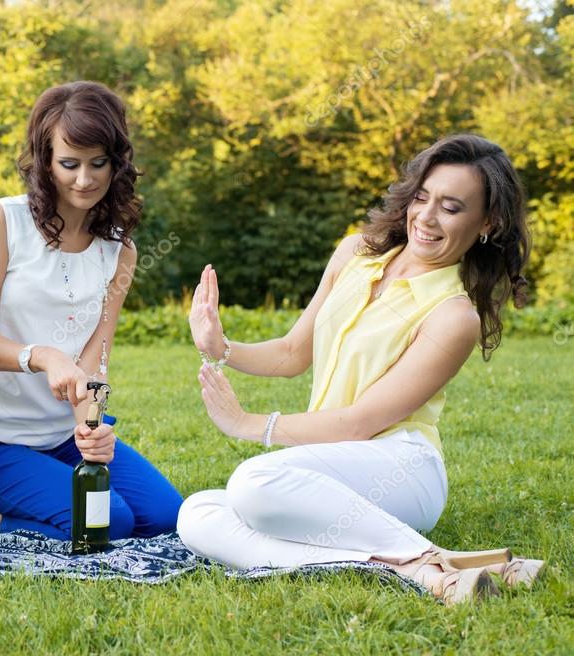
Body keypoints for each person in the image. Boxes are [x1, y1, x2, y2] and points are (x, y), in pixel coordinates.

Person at [176, 134, 544, 605]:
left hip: (400, 468)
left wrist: (248, 425)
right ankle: (421, 568)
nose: (426, 217)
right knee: (197, 514)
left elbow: (361, 422)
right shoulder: (356, 253)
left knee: (254, 484)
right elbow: (293, 353)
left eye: (451, 208)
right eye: (423, 197)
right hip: (329, 463)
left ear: (487, 222)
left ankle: (422, 558)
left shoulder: (454, 316)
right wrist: (220, 346)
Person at [0, 81, 183, 541]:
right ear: (45, 161)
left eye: (99, 163)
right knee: (108, 523)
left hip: (64, 439)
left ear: (118, 163)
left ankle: (32, 495)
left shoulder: (120, 250)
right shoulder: (5, 220)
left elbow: (97, 353)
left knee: (164, 518)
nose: (84, 179)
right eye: (69, 164)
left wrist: (89, 427)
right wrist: (45, 356)